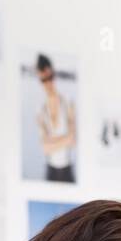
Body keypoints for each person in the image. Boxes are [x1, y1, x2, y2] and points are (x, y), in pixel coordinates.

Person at [35, 54, 75, 182]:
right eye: (44, 80)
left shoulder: (67, 102)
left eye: (50, 78)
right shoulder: (40, 109)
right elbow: (45, 149)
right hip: (50, 170)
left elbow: (73, 140)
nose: (48, 83)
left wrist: (52, 140)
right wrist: (65, 139)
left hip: (67, 169)